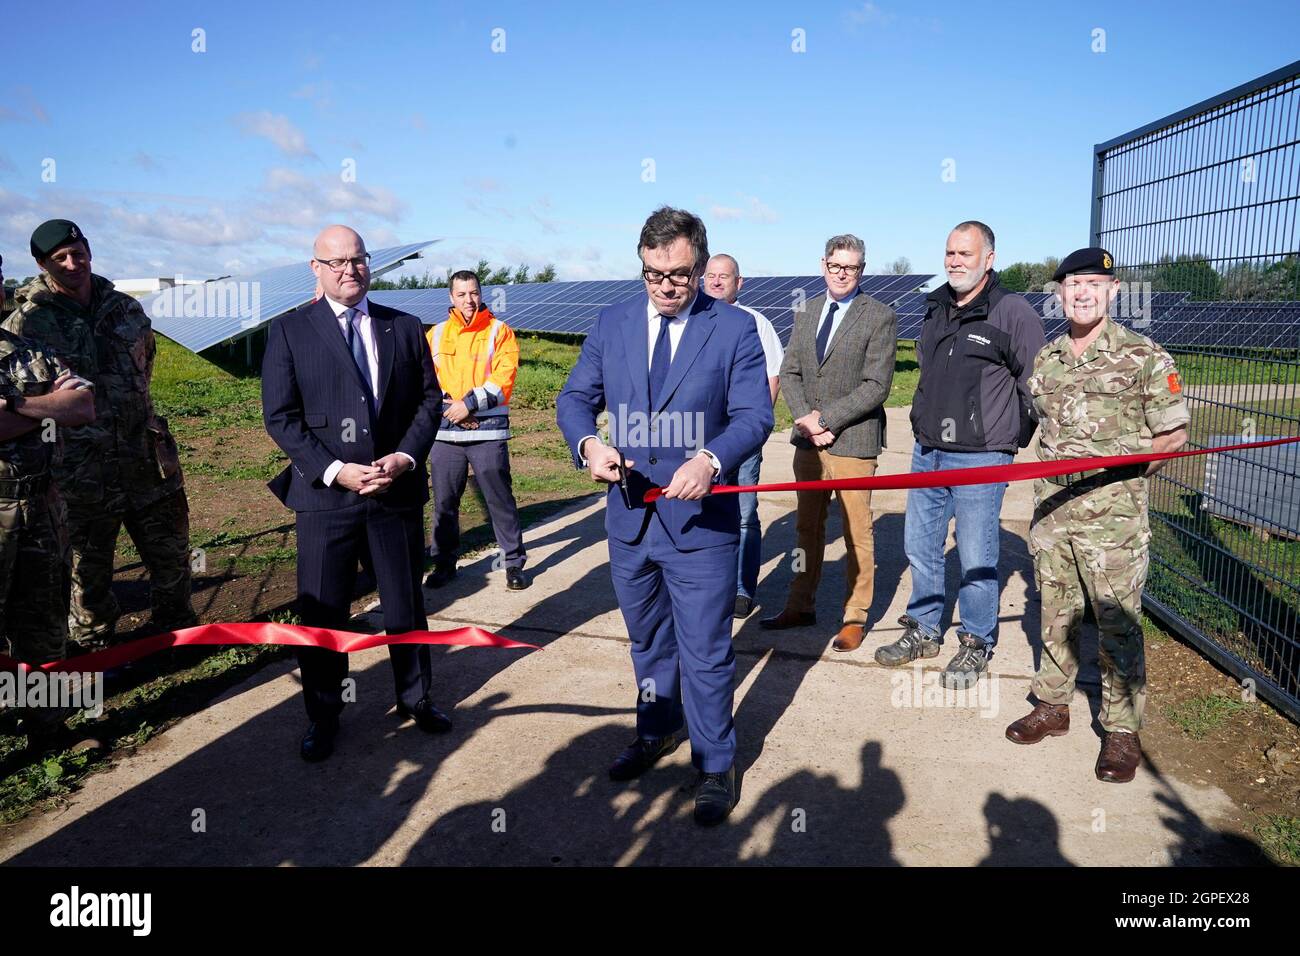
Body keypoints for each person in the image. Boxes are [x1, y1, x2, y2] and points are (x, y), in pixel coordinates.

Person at [557, 206, 772, 825]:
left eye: (678, 274)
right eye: (654, 274)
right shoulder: (613, 322)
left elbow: (755, 416)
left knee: (705, 650)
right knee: (648, 641)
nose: (666, 286)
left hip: (700, 526)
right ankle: (656, 730)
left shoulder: (733, 330)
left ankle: (714, 762)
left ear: (700, 267)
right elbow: (575, 398)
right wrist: (589, 446)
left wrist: (711, 458)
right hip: (629, 521)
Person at [262, 225, 448, 762]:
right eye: (337, 261)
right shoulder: (291, 331)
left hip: (393, 495)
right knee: (322, 615)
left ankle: (416, 698)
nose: (350, 270)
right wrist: (336, 469)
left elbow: (428, 403)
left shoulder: (405, 327)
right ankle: (324, 714)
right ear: (315, 268)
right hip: (327, 500)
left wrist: (406, 457)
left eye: (359, 259)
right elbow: (281, 417)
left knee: (406, 605)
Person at [1006, 247, 1188, 784]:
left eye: (1093, 284)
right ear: (1058, 293)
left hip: (1114, 521)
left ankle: (1121, 731)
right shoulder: (1048, 358)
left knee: (1118, 624)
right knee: (1056, 613)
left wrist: (1129, 467)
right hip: (1053, 513)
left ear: (1113, 292)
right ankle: (1053, 705)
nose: (1082, 293)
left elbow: (1174, 432)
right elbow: (1040, 425)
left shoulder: (1144, 356)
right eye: (1072, 284)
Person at [3, 220, 197, 649]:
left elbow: (145, 366)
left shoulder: (125, 308)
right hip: (77, 471)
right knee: (87, 576)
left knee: (171, 556)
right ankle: (96, 657)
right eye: (61, 259)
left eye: (80, 252)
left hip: (145, 459)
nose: (74, 263)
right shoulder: (26, 324)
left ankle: (177, 635)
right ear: (41, 264)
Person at [874, 221, 1045, 687]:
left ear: (989, 259)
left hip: (980, 457)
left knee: (975, 552)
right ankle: (924, 629)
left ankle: (975, 642)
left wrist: (1008, 439)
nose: (954, 261)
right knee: (921, 546)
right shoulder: (935, 308)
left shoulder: (1013, 312)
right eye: (949, 253)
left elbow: (1037, 383)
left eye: (965, 254)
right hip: (928, 450)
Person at [760, 235, 897, 653]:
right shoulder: (807, 310)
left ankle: (855, 616)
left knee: (857, 531)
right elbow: (793, 370)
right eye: (836, 265)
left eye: (851, 267)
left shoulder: (879, 316)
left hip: (852, 440)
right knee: (807, 528)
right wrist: (805, 419)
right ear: (823, 265)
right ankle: (800, 604)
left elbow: (877, 385)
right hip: (808, 442)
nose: (842, 273)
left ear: (862, 269)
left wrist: (827, 420)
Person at [0, 254, 96, 748]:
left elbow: (82, 405)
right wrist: (46, 408)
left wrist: (15, 406)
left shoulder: (27, 351)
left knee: (43, 621)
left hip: (41, 506)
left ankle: (46, 728)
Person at [424, 271, 528, 591]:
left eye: (474, 293)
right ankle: (444, 564)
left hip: (488, 431)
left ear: (481, 294)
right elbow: (425, 380)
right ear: (450, 298)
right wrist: (448, 409)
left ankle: (512, 564)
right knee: (444, 502)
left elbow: (503, 379)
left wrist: (467, 405)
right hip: (445, 433)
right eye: (461, 294)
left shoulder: (500, 332)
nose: (469, 300)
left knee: (499, 499)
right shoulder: (436, 335)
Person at [702, 253, 783, 619]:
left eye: (725, 276)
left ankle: (740, 589)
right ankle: (708, 585)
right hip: (699, 442)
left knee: (745, 514)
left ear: (740, 283)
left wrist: (753, 430)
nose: (717, 282)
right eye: (711, 276)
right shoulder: (691, 320)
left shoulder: (756, 323)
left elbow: (772, 379)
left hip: (742, 440)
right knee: (700, 511)